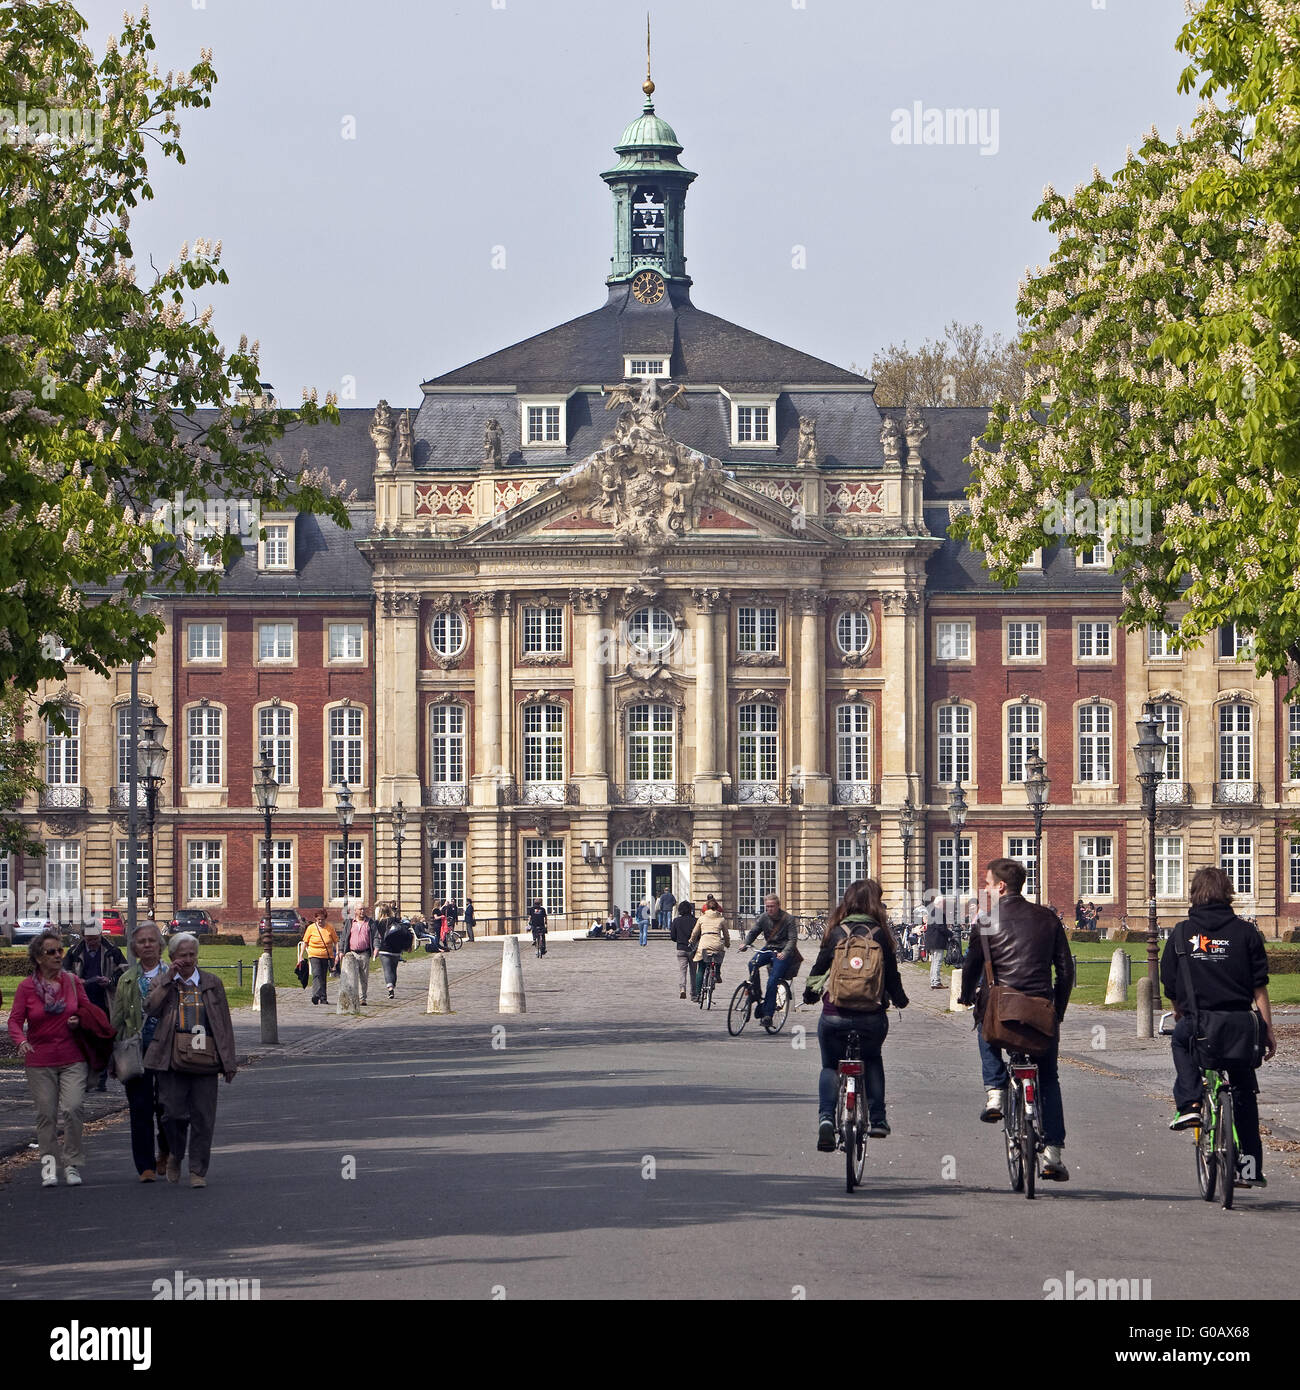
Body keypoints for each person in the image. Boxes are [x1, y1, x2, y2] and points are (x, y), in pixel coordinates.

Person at [1160, 866, 1276, 1187]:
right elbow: (1259, 987)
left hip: (1198, 1024)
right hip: (1240, 1026)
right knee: (1245, 1097)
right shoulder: (1246, 933)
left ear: (1194, 895)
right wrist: (1267, 1028)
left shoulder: (1182, 934)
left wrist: (1181, 1013)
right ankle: (1250, 1169)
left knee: (1180, 1042)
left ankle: (1191, 1104)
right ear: (1228, 895)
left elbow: (1169, 985)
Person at [960, 858, 1075, 1181]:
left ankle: (995, 1090)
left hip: (1002, 1013)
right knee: (1049, 1079)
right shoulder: (1048, 919)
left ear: (1000, 886)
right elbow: (1066, 972)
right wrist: (1058, 1010)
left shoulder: (985, 921)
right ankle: (1053, 1153)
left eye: (986, 883)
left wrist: (967, 996)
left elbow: (971, 968)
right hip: (1041, 1013)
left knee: (983, 1028)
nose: (984, 889)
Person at [803, 878, 909, 1149]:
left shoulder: (836, 931)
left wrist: (810, 995)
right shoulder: (882, 935)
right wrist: (900, 1000)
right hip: (871, 1016)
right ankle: (878, 1119)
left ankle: (826, 1118)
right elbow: (893, 977)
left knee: (830, 1065)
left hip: (834, 1014)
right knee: (872, 1059)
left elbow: (819, 969)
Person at [8, 929, 107, 1187]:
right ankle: (49, 1167)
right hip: (39, 1061)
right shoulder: (26, 987)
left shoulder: (72, 982)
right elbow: (15, 1021)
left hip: (72, 1057)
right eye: (50, 952)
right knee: (47, 1115)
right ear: (38, 958)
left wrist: (79, 1021)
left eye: (59, 950)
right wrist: (21, 1041)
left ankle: (72, 1164)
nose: (57, 955)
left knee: (74, 1108)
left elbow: (88, 1011)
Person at [143, 932, 237, 1188]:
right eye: (182, 955)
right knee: (171, 1114)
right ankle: (175, 1152)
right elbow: (150, 1008)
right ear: (172, 957)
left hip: (206, 1058)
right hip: (171, 1058)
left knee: (203, 1117)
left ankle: (197, 1170)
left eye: (191, 954)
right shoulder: (164, 983)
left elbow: (223, 1023)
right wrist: (167, 980)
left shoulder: (211, 983)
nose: (187, 960)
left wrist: (229, 1061)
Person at [111, 920, 172, 1181]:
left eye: (151, 940)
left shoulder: (173, 975)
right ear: (134, 948)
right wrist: (112, 1056)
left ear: (160, 945)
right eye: (141, 941)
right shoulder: (126, 980)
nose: (147, 945)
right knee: (140, 1107)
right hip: (137, 1051)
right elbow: (118, 1019)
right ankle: (145, 1166)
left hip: (169, 1050)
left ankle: (166, 1151)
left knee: (169, 1108)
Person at [63, 922, 127, 1090]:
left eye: (95, 939)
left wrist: (110, 981)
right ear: (83, 937)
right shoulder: (74, 952)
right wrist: (76, 981)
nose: (93, 943)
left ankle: (101, 1079)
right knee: (83, 1039)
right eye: (89, 940)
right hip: (82, 1003)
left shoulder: (113, 951)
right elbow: (63, 972)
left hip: (104, 1001)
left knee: (102, 1039)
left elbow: (124, 972)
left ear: (101, 935)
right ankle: (85, 1077)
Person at [742, 893, 803, 1029]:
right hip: (769, 948)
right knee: (752, 964)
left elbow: (792, 939)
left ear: (778, 906)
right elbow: (754, 932)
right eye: (767, 906)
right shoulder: (764, 918)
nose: (769, 909)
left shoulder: (788, 919)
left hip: (783, 952)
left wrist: (785, 952)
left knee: (773, 980)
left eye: (772, 906)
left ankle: (768, 1015)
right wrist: (746, 943)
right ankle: (756, 993)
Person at [687, 897, 729, 1002]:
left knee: (701, 968)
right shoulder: (721, 919)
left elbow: (695, 932)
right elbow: (726, 935)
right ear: (717, 908)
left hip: (704, 943)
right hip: (717, 943)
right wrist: (727, 944)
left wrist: (691, 940)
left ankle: (697, 994)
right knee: (719, 955)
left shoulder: (702, 918)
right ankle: (718, 973)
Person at [298, 910, 338, 1005]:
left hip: (327, 955)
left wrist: (337, 953)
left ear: (325, 919)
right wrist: (301, 955)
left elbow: (336, 941)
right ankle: (315, 995)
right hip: (314, 954)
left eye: (322, 919)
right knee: (317, 973)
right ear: (315, 919)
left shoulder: (329, 928)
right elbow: (305, 942)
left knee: (323, 976)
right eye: (318, 919)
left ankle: (323, 997)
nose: (320, 921)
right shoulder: (311, 928)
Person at [342, 903, 378, 1004]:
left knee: (364, 977)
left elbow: (375, 936)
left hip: (364, 953)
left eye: (363, 909)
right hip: (351, 953)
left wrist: (376, 948)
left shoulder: (370, 922)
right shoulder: (350, 922)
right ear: (355, 911)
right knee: (351, 976)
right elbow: (344, 938)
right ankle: (352, 997)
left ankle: (363, 998)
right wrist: (341, 951)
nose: (362, 911)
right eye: (360, 909)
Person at [376, 913, 415, 999]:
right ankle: (392, 985)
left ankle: (390, 988)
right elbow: (408, 933)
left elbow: (376, 937)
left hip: (384, 950)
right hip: (396, 951)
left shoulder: (379, 923)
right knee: (393, 970)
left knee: (387, 970)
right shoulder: (397, 922)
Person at [669, 899, 697, 998]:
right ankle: (693, 992)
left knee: (682, 971)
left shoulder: (676, 921)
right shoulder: (695, 921)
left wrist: (679, 940)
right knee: (693, 972)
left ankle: (682, 989)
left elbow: (672, 936)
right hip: (693, 949)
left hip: (681, 948)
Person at [924, 914, 951, 990]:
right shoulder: (939, 914)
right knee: (937, 962)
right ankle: (936, 982)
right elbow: (941, 928)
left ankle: (933, 981)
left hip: (932, 941)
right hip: (937, 941)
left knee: (934, 962)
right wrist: (950, 933)